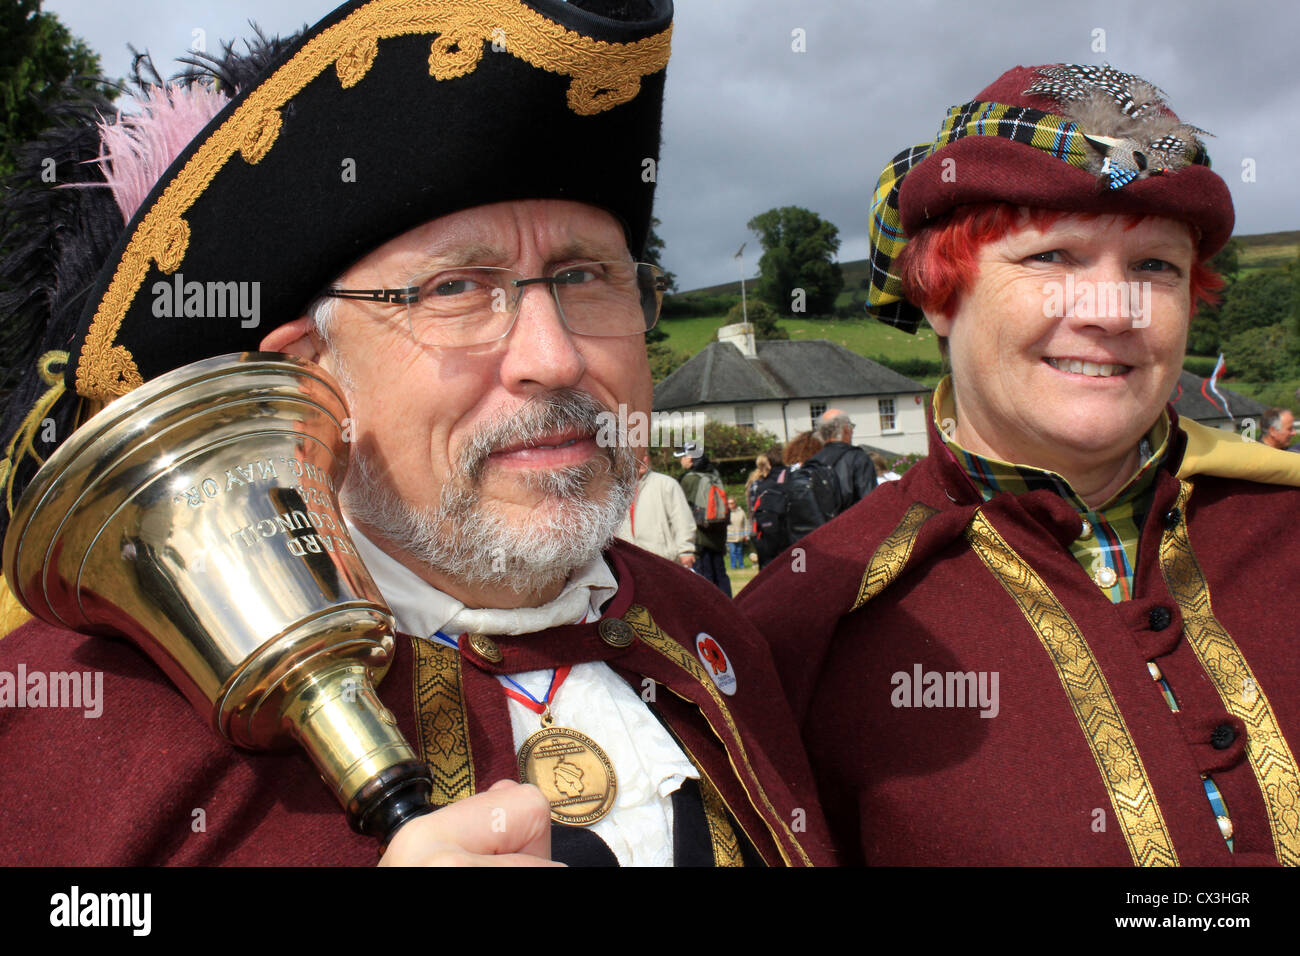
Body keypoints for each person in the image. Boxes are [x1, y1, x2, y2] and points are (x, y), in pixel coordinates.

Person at [0, 0, 831, 867]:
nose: (552, 357)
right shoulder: (74, 726)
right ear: (309, 378)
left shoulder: (715, 636)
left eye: (586, 276)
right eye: (454, 290)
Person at [740, 63, 1300, 866]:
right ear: (939, 294)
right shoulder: (806, 631)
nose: (1112, 313)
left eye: (1154, 268)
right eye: (1053, 257)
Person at [616, 453, 696, 567]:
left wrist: (686, 550)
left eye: (645, 455)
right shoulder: (617, 489)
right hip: (629, 561)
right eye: (637, 454)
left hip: (663, 560)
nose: (643, 459)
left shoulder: (666, 484)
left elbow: (682, 519)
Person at [674, 442, 732, 596]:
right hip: (718, 534)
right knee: (721, 575)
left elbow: (680, 509)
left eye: (683, 457)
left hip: (699, 536)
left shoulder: (689, 479)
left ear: (690, 458)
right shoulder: (714, 475)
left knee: (704, 580)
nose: (681, 461)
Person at [811, 409, 877, 507]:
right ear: (846, 430)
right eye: (851, 426)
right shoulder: (858, 458)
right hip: (850, 519)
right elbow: (869, 501)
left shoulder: (813, 461)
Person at [726, 497, 748, 569]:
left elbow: (746, 524)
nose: (730, 505)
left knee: (739, 551)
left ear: (735, 503)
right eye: (729, 503)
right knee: (732, 552)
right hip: (730, 537)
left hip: (740, 536)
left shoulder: (741, 512)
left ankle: (742, 565)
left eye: (732, 503)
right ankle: (733, 566)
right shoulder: (726, 513)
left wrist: (746, 535)